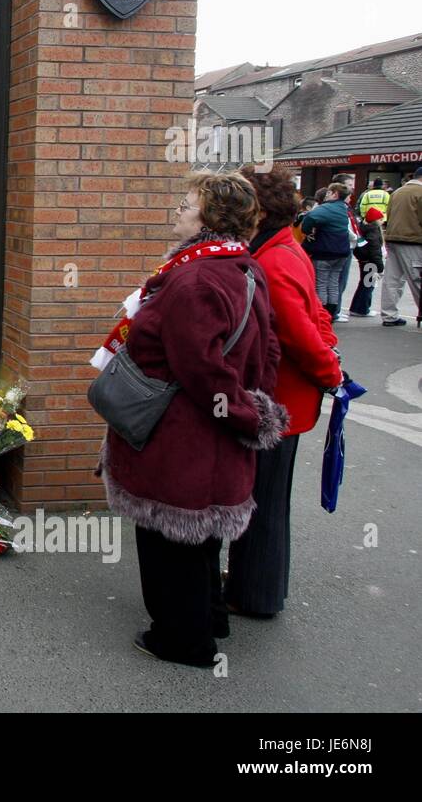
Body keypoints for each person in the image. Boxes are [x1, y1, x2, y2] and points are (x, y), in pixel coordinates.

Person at [97, 171, 285, 668]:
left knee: (169, 540)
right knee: (202, 534)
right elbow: (268, 348)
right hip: (216, 434)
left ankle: (182, 640)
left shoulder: (194, 278)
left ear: (210, 217)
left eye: (185, 205)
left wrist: (243, 412)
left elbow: (200, 368)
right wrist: (254, 407)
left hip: (180, 434)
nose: (176, 212)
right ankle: (209, 617)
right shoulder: (242, 268)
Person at [229, 168, 342, 617]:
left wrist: (329, 370)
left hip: (279, 402)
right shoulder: (283, 249)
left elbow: (299, 331)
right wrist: (330, 357)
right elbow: (318, 316)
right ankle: (254, 584)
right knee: (266, 499)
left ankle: (255, 595)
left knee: (262, 503)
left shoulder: (272, 261)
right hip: (283, 399)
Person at [301, 182, 353, 320]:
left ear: (335, 194)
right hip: (342, 251)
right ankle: (332, 310)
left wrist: (307, 231)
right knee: (334, 282)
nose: (326, 195)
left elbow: (310, 217)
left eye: (329, 192)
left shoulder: (328, 208)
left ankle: (322, 312)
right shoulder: (344, 208)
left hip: (325, 250)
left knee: (321, 283)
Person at [381, 166, 422, 327]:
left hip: (393, 238)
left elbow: (389, 215)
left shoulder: (397, 192)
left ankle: (389, 315)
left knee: (392, 279)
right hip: (412, 240)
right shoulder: (419, 193)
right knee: (417, 279)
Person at [349, 207, 385, 317]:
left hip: (365, 260)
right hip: (371, 262)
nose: (382, 221)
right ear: (376, 220)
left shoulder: (364, 228)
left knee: (364, 284)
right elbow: (375, 251)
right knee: (368, 286)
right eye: (380, 219)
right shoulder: (373, 231)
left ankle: (356, 307)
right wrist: (380, 267)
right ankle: (362, 309)